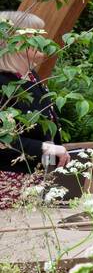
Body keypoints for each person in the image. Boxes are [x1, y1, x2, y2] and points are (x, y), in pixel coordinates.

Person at [0, 11, 69, 176]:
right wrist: (44, 148)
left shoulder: (32, 79)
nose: (43, 40)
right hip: (9, 187)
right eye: (35, 34)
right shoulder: (3, 83)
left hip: (40, 179)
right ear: (13, 41)